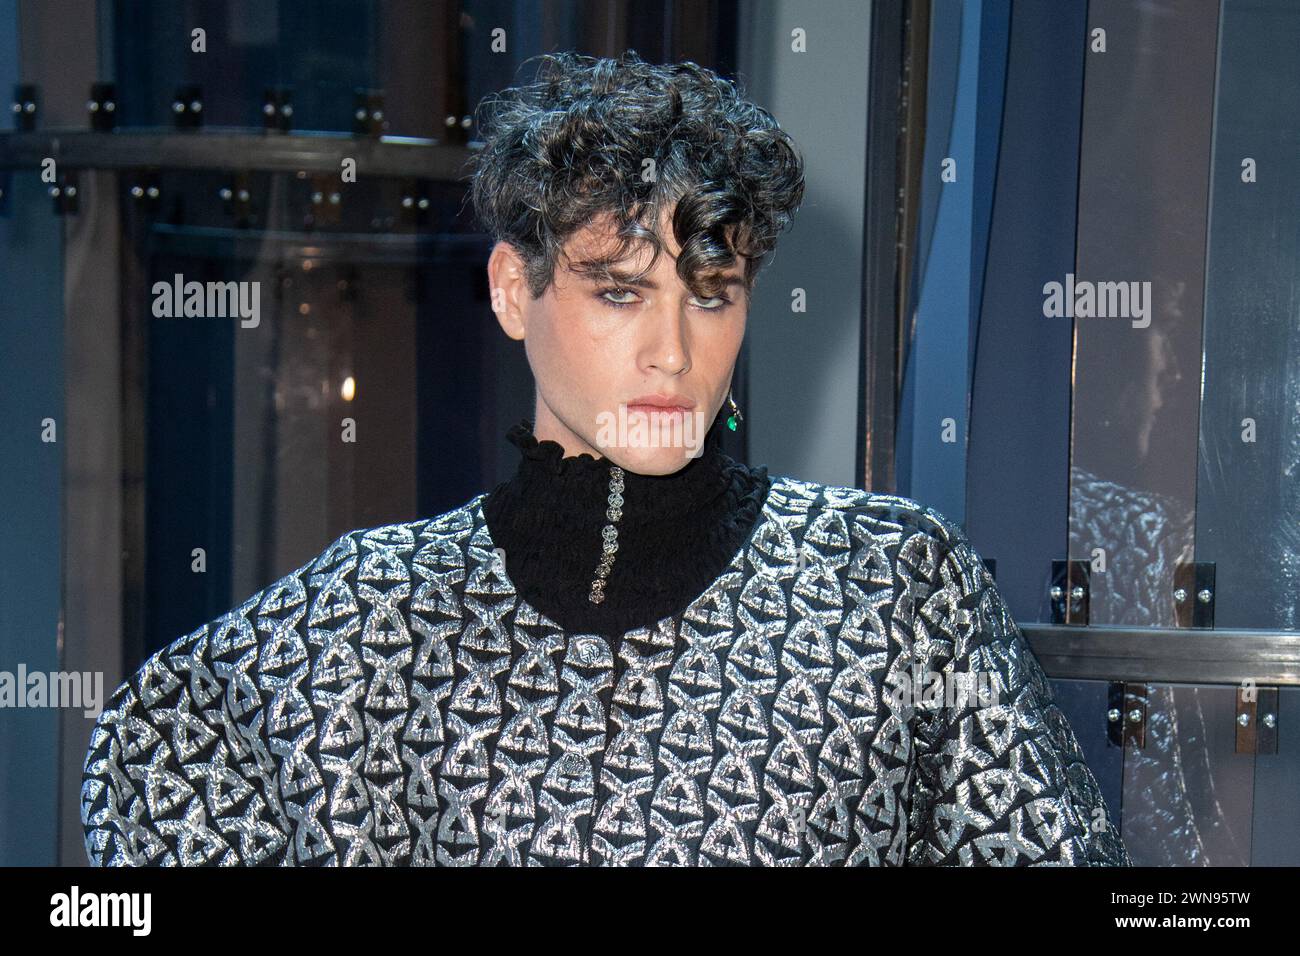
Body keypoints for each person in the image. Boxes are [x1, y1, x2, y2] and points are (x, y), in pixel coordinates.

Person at [80, 50, 1131, 867]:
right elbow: (146, 762)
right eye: (618, 289)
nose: (673, 351)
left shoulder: (889, 582)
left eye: (710, 292)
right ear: (510, 289)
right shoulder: (370, 613)